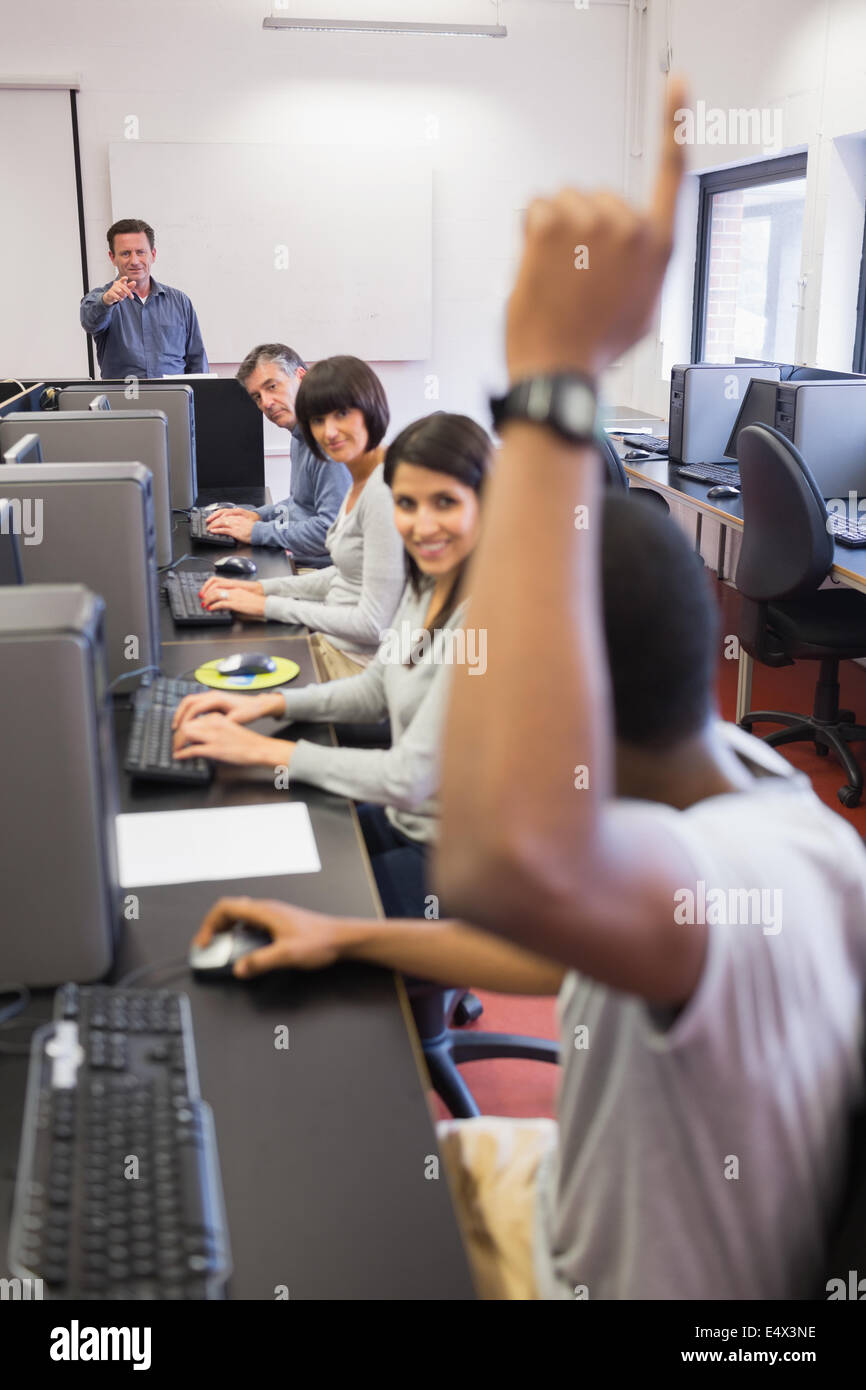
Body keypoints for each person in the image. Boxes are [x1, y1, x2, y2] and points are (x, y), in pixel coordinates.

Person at [189, 79, 866, 1301]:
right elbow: (567, 946)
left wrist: (553, 373)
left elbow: (497, 858)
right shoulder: (770, 813)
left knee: (251, 1213)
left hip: (576, 1279)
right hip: (561, 1192)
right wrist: (348, 933)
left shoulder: (693, 882)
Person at [174, 412, 492, 917]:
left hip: (455, 863)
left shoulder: (485, 620)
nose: (421, 524)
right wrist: (265, 704)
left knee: (289, 903)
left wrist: (262, 751)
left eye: (445, 502)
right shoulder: (429, 583)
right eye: (406, 504)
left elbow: (410, 777)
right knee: (258, 853)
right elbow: (373, 693)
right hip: (407, 821)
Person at [196, 355, 405, 678]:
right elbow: (345, 575)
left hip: (358, 660)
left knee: (226, 662)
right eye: (318, 420)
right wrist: (263, 590)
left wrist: (269, 604)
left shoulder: (380, 491)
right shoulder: (356, 479)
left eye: (342, 414)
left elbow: (371, 623)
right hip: (338, 637)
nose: (329, 432)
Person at [201, 343, 351, 567]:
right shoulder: (300, 434)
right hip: (306, 564)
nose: (266, 403)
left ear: (301, 377)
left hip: (328, 574)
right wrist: (259, 515)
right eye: (257, 397)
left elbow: (329, 531)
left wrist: (257, 531)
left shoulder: (328, 442)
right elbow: (299, 505)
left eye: (272, 386)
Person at [79, 218, 208, 379]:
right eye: (125, 253)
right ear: (112, 257)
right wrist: (106, 301)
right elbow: (90, 321)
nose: (134, 261)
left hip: (174, 400)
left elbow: (197, 362)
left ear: (153, 255)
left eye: (140, 252)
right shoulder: (102, 299)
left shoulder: (180, 302)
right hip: (123, 401)